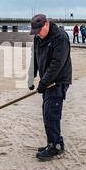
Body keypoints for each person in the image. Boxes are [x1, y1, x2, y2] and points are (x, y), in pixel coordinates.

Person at [28, 15, 73, 161]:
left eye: (39, 30)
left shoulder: (60, 38)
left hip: (58, 81)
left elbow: (57, 63)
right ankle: (54, 142)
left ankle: (55, 146)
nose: (38, 33)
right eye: (35, 31)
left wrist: (44, 82)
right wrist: (31, 77)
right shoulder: (38, 38)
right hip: (47, 81)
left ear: (47, 24)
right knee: (47, 111)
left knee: (51, 113)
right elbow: (34, 58)